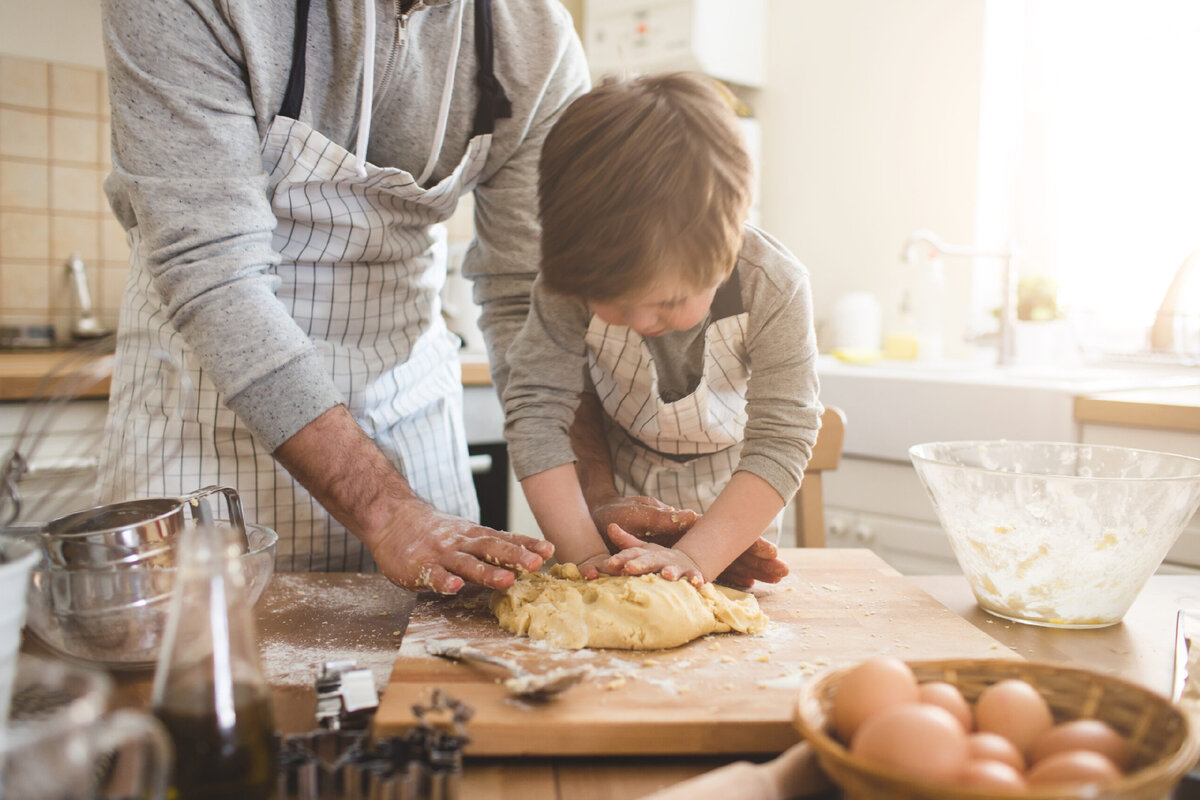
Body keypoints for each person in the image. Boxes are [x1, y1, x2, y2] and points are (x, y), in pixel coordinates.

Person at [503, 72, 823, 584]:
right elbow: (536, 412)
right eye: (614, 303)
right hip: (615, 490)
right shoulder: (568, 279)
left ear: (725, 258)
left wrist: (698, 558)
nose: (643, 322)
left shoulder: (774, 285)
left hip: (735, 497)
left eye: (669, 301)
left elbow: (782, 439)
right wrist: (586, 557)